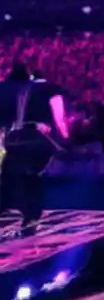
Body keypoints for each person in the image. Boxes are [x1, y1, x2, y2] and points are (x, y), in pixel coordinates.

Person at [0, 63, 69, 236]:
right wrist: (65, 139)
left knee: (12, 176)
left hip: (16, 140)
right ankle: (30, 217)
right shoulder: (49, 89)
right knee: (28, 177)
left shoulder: (8, 90)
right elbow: (59, 115)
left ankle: (26, 215)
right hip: (38, 140)